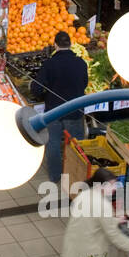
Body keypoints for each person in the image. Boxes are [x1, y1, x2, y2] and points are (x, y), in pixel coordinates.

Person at [31, 30, 89, 184]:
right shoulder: (81, 63)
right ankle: (78, 175)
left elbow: (36, 88)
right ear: (70, 45)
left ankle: (55, 176)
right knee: (77, 144)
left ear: (55, 45)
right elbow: (84, 84)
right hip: (75, 110)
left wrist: (43, 97)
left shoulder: (49, 64)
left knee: (54, 144)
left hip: (53, 112)